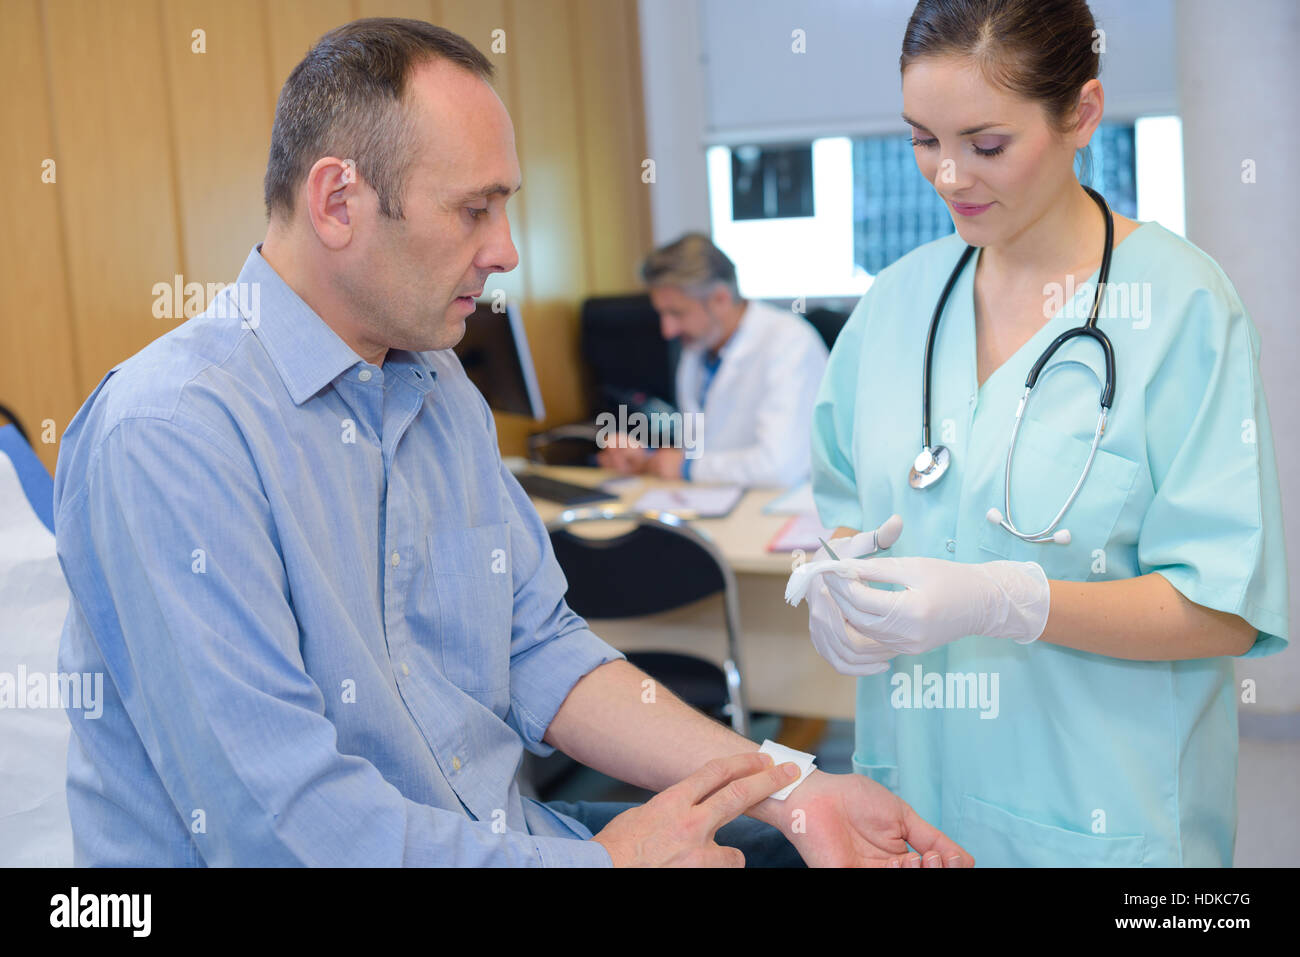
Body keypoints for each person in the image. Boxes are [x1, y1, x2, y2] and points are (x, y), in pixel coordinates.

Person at [52, 18, 974, 868]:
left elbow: (541, 651)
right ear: (339, 199)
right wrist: (605, 864)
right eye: (473, 209)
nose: (507, 251)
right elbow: (282, 825)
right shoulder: (170, 435)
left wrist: (793, 788)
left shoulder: (439, 386)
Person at [801, 0, 1288, 866]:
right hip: (913, 817)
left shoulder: (1181, 309)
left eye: (986, 145)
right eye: (922, 139)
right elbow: (847, 509)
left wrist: (1008, 600)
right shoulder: (894, 307)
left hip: (1106, 828)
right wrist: (840, 587)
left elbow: (1221, 608)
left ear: (1082, 115)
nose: (949, 176)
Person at [596, 233, 828, 486]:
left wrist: (684, 466)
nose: (667, 330)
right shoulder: (698, 348)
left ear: (720, 299)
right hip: (716, 501)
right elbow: (702, 447)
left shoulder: (790, 342)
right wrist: (647, 458)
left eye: (676, 313)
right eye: (662, 314)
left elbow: (777, 467)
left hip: (785, 509)